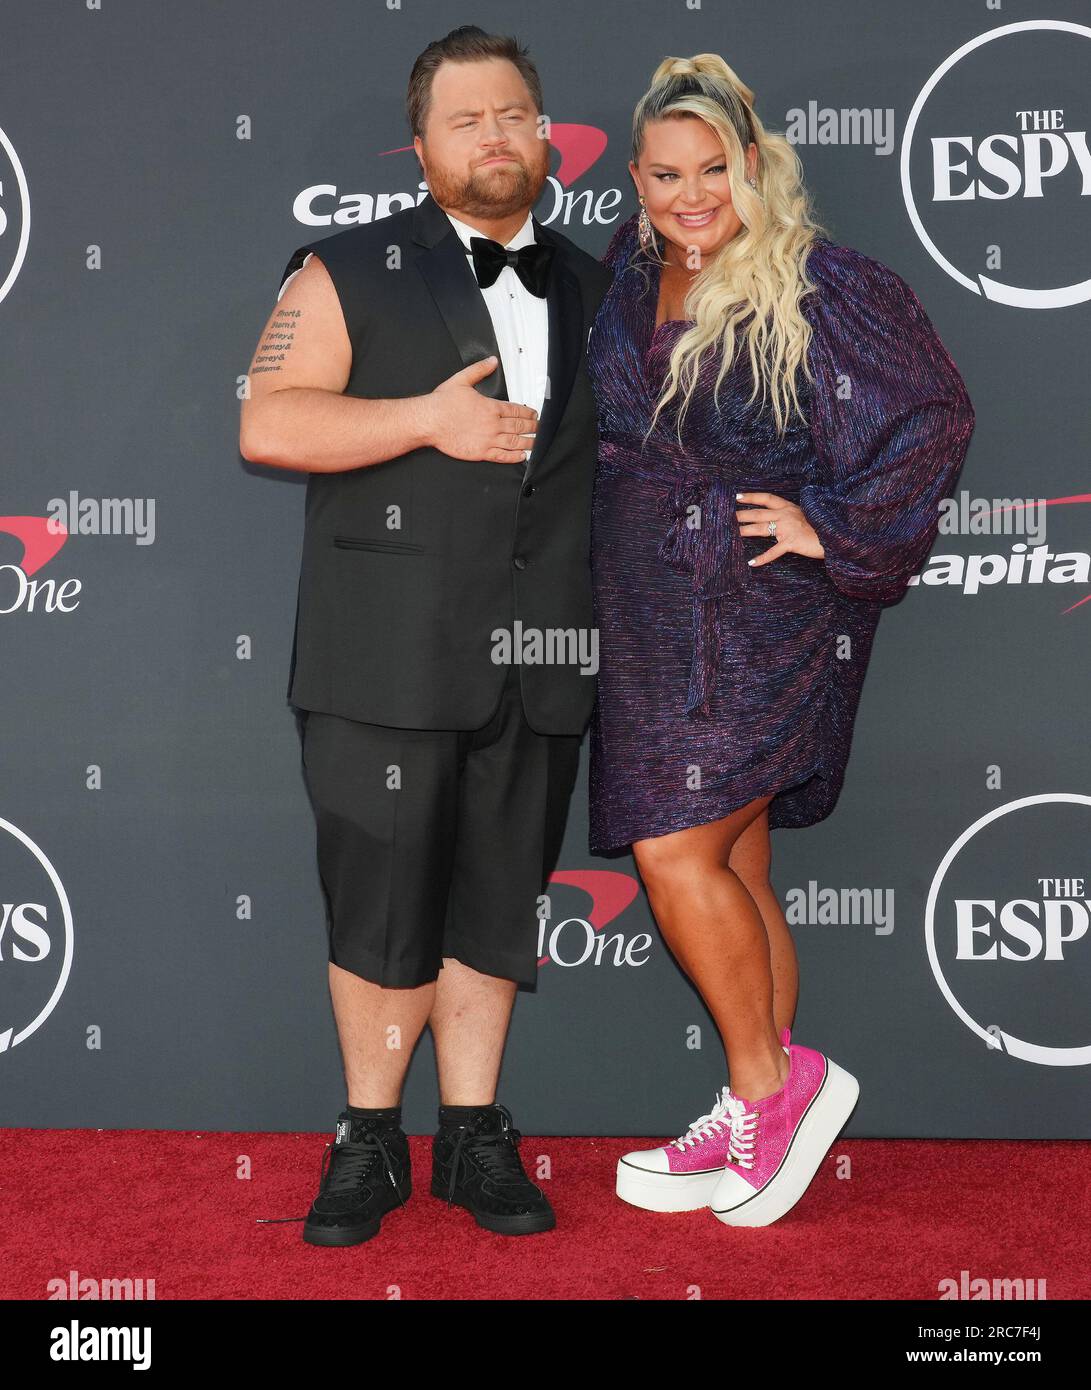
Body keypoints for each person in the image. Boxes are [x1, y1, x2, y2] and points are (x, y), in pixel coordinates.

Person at [587, 54, 975, 1226]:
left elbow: (929, 413)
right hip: (649, 609)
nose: (690, 194)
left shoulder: (818, 281)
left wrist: (835, 528)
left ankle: (775, 1085)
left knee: (671, 854)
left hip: (758, 610)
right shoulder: (629, 269)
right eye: (664, 173)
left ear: (752, 166)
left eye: (713, 169)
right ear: (637, 179)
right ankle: (754, 1094)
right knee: (735, 859)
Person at [240, 25, 610, 1246]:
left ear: (544, 134)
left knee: (497, 903)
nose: (494, 135)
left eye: (512, 113)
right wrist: (422, 424)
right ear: (420, 147)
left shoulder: (597, 285)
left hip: (542, 657)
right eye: (466, 118)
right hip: (381, 657)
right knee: (381, 909)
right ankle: (365, 1138)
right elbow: (269, 424)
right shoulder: (345, 269)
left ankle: (471, 1135)